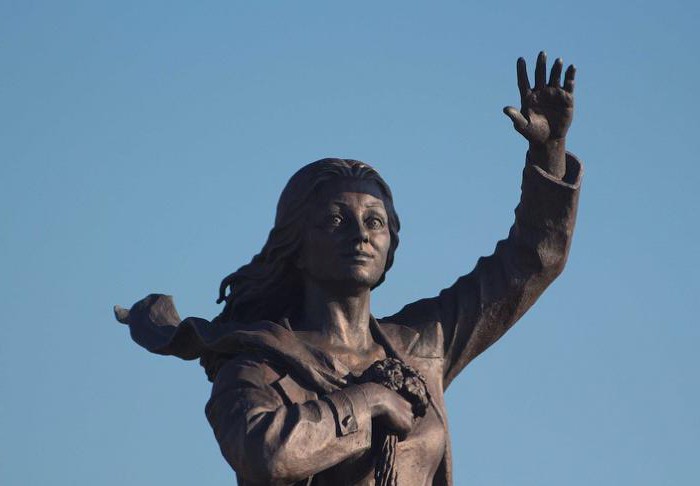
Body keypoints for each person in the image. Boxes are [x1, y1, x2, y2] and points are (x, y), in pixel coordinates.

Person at [115, 52, 582, 486]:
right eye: (336, 220)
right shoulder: (252, 366)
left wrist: (549, 154)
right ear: (297, 244)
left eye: (374, 221)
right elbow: (267, 454)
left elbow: (529, 263)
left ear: (389, 245)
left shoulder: (423, 347)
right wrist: (369, 400)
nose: (360, 233)